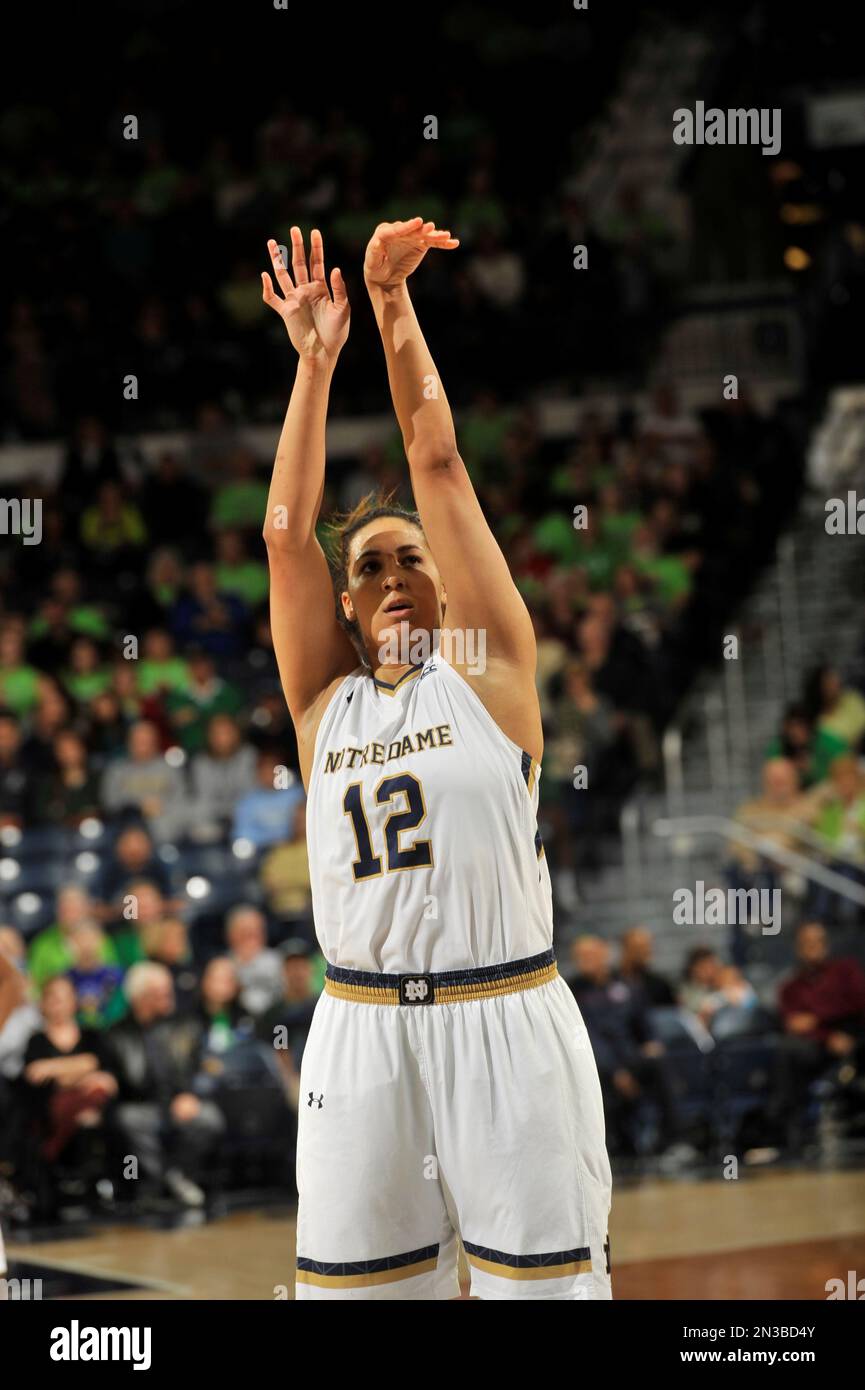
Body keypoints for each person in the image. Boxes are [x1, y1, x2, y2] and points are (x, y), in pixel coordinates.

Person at [261, 221, 611, 1300]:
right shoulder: (326, 705)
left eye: (414, 555)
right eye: (371, 565)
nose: (399, 571)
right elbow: (286, 533)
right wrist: (314, 364)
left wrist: (388, 304)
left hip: (505, 1017)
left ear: (448, 587)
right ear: (351, 607)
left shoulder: (491, 671)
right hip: (360, 1033)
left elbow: (436, 454)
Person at [100, 962, 225, 1207]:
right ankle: (162, 1180)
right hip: (141, 1105)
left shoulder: (188, 1026)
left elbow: (210, 1069)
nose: (169, 997)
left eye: (169, 990)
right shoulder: (116, 1034)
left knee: (209, 1118)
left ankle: (179, 1174)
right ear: (140, 997)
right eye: (161, 992)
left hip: (182, 1101)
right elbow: (114, 1077)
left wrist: (191, 1094)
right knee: (128, 1120)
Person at [769, 922, 865, 1152]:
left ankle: (782, 1116)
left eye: (818, 941)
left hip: (857, 1042)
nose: (813, 947)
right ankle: (792, 1131)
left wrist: (817, 1019)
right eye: (806, 943)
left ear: (827, 944)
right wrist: (828, 1033)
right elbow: (793, 1025)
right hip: (817, 1050)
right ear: (797, 947)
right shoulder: (790, 988)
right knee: (788, 1049)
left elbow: (858, 1005)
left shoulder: (846, 971)